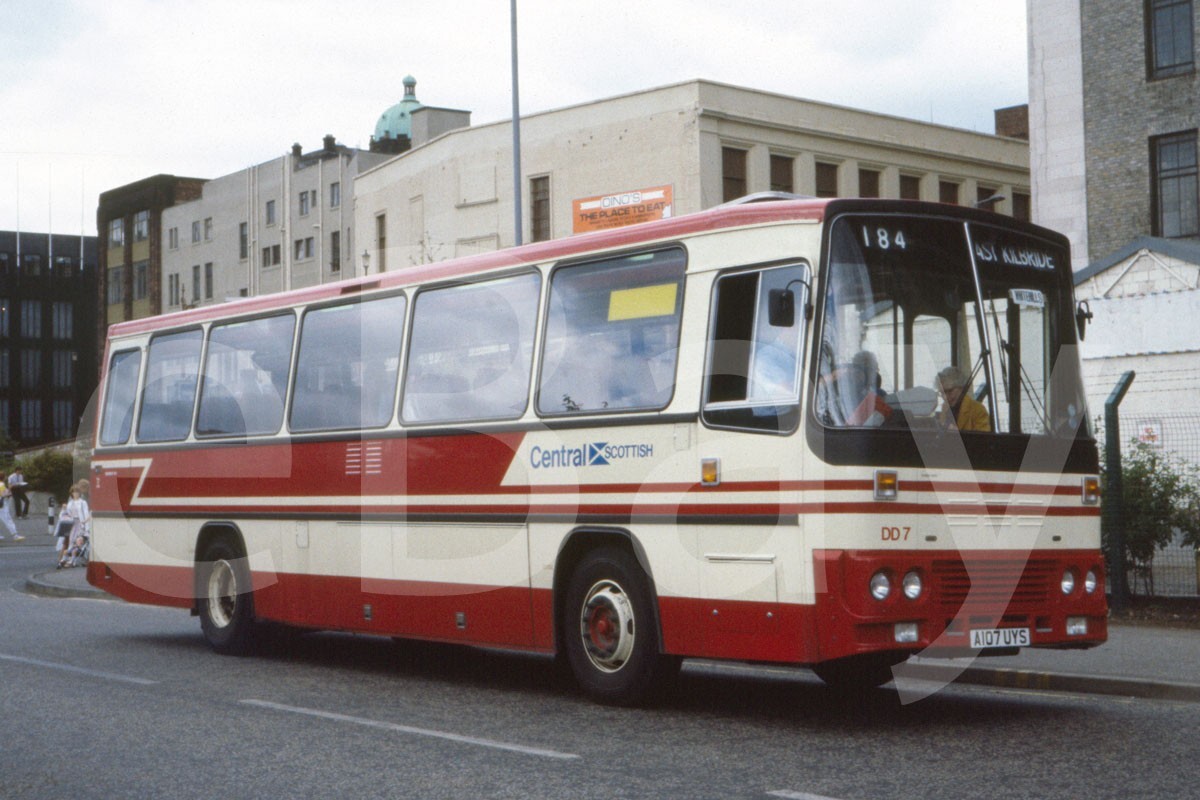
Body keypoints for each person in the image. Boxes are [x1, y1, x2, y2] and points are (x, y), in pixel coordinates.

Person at [937, 364, 991, 432]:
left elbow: (983, 440)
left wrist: (959, 433)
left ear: (961, 387)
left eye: (950, 391)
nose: (945, 397)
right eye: (942, 393)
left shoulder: (978, 410)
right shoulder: (945, 408)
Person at [57, 482, 90, 568]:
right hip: (72, 524)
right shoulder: (70, 503)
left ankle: (75, 560)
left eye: (77, 492)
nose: (75, 494)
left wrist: (86, 527)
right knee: (71, 542)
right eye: (74, 492)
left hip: (80, 523)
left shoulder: (83, 503)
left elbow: (86, 514)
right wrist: (63, 509)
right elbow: (65, 514)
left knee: (79, 542)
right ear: (71, 493)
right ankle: (68, 560)